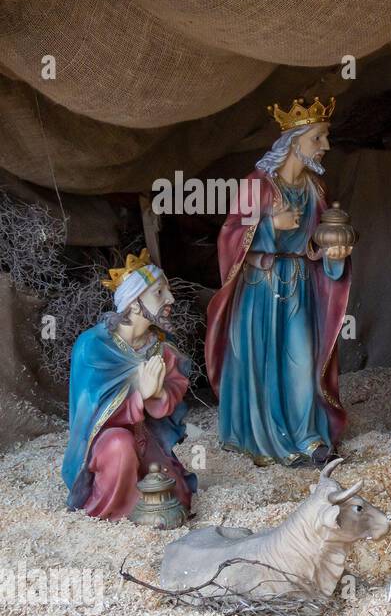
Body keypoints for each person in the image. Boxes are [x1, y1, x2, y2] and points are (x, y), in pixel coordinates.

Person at [205, 97, 352, 467]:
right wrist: (271, 227)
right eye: (318, 138)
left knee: (302, 359)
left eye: (325, 137)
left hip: (299, 283)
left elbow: (319, 240)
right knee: (262, 362)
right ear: (294, 141)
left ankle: (308, 436)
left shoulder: (315, 190)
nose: (326, 146)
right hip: (260, 288)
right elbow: (229, 236)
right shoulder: (258, 186)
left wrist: (332, 253)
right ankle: (267, 438)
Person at [63, 250, 195, 519]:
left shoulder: (160, 349)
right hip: (104, 441)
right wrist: (138, 395)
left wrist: (157, 393)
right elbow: (90, 406)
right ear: (134, 303)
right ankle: (112, 510)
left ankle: (145, 503)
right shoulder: (93, 347)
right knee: (119, 447)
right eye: (159, 293)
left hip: (144, 436)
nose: (170, 299)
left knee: (178, 495)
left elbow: (175, 388)